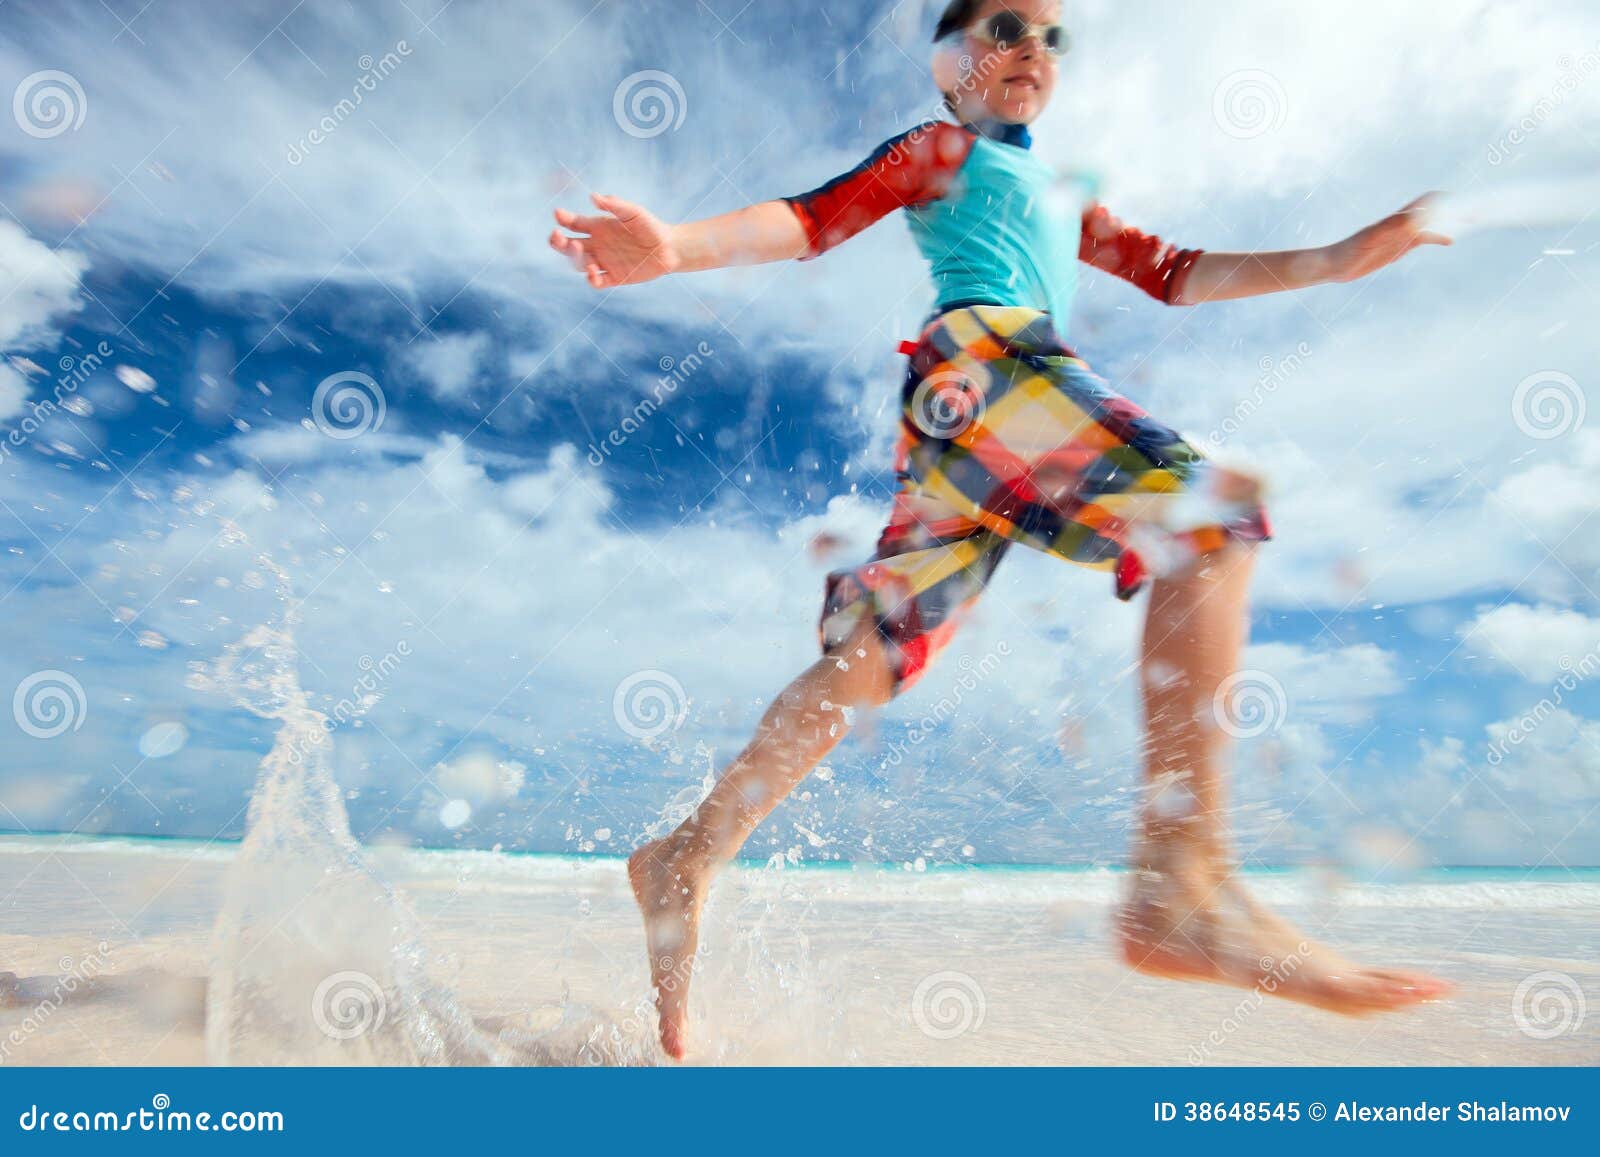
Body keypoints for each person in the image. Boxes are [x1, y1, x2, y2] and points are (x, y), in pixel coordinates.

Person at [550, 0, 1455, 1061]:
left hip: (964, 426)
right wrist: (675, 248)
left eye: (1050, 37)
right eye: (1003, 26)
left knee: (871, 656)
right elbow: (813, 216)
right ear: (949, 65)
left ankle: (689, 850)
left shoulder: (1058, 193)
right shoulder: (938, 148)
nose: (1031, 47)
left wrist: (1337, 258)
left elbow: (1173, 274)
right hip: (987, 368)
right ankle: (1182, 880)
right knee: (1206, 511)